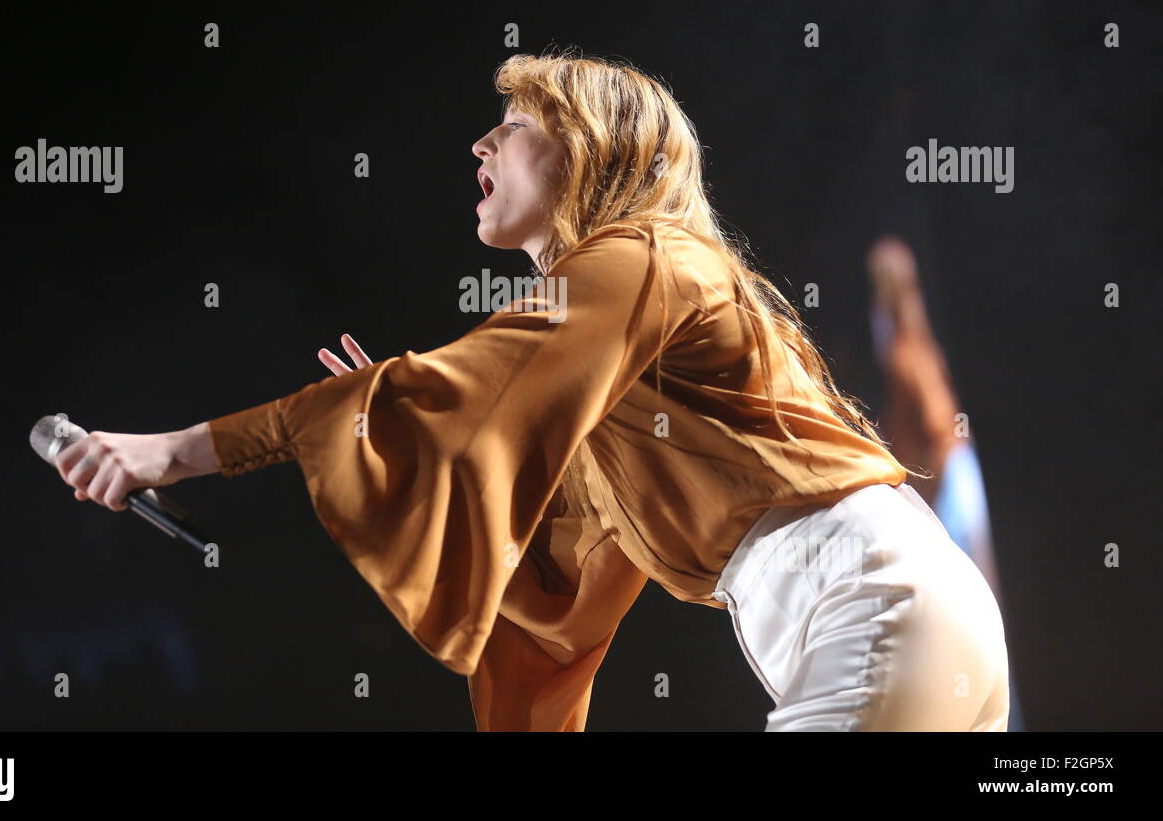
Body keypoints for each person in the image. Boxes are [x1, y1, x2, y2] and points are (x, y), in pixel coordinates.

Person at [52, 51, 1011, 731]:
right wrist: (386, 422)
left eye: (515, 125)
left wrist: (174, 450)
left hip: (870, 604)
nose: (481, 142)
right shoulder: (621, 366)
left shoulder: (646, 254)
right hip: (914, 613)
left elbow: (466, 390)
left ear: (594, 150)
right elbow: (555, 612)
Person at [866, 235, 1024, 731]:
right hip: (955, 477)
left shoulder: (903, 350)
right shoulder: (910, 334)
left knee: (970, 616)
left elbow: (939, 425)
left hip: (952, 484)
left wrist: (924, 490)